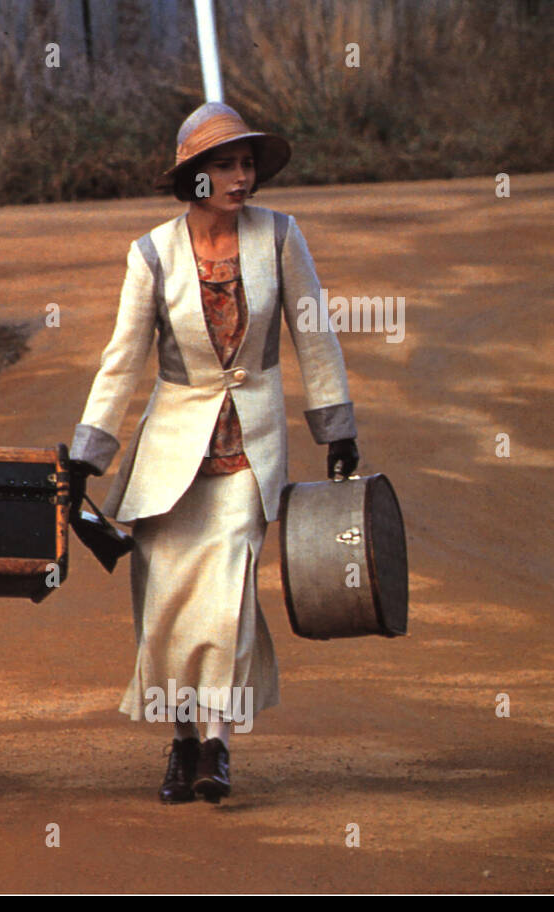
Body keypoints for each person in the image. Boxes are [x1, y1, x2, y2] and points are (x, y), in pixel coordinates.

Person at [67, 102, 359, 804]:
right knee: (166, 604)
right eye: (224, 165)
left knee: (228, 597)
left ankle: (218, 747)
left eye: (246, 164)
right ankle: (181, 743)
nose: (240, 177)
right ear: (193, 178)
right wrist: (87, 454)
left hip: (248, 452)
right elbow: (122, 360)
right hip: (170, 456)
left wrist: (337, 429)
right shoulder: (151, 254)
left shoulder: (280, 236)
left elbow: (314, 334)